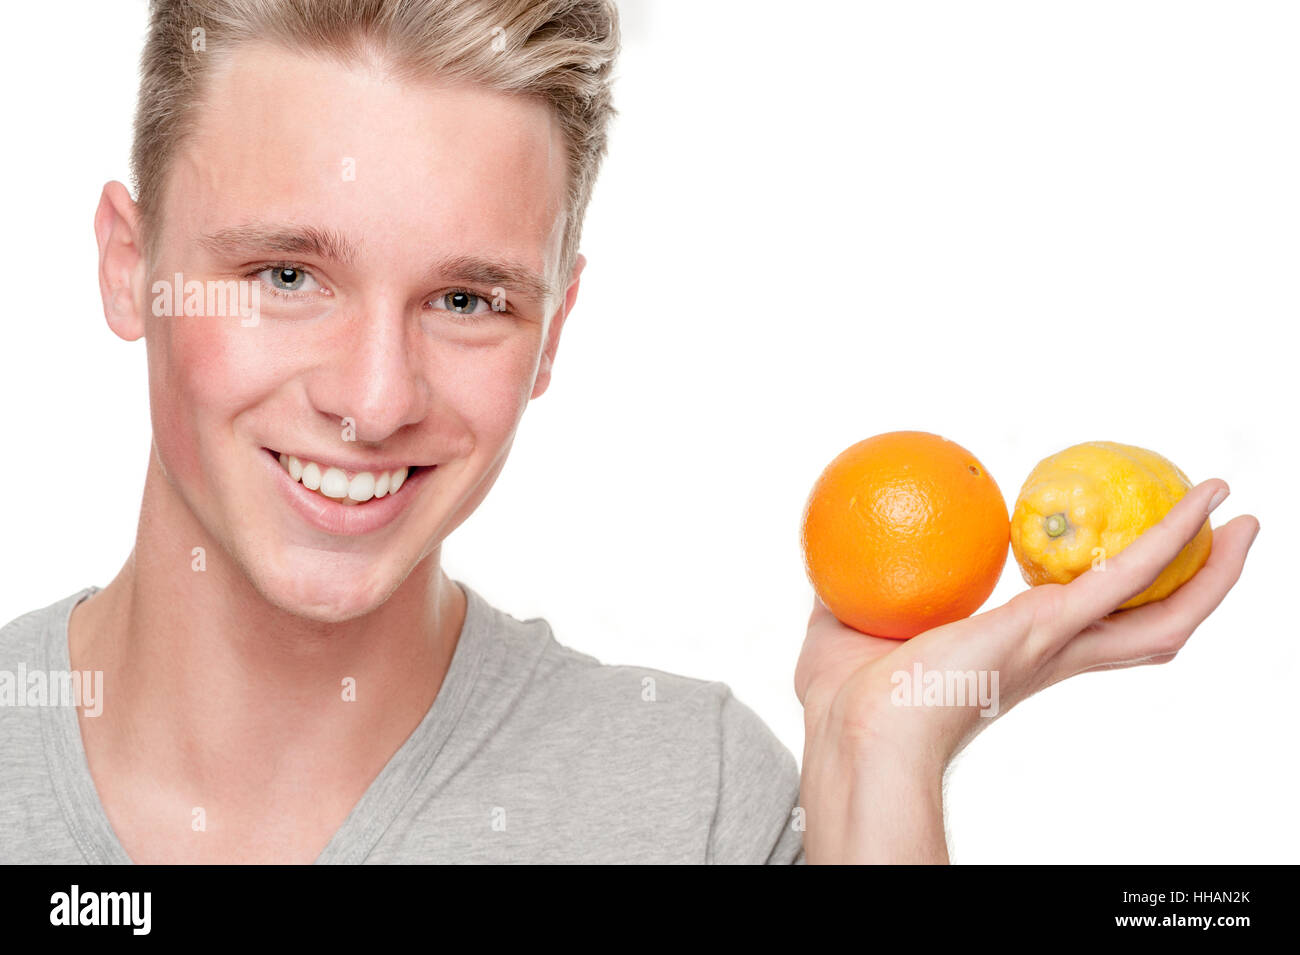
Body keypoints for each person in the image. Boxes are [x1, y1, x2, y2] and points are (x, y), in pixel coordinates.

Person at [0, 0, 1258, 865]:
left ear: (552, 330)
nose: (376, 397)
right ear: (130, 265)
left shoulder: (695, 801)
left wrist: (881, 773)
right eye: (285, 274)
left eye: (465, 299)